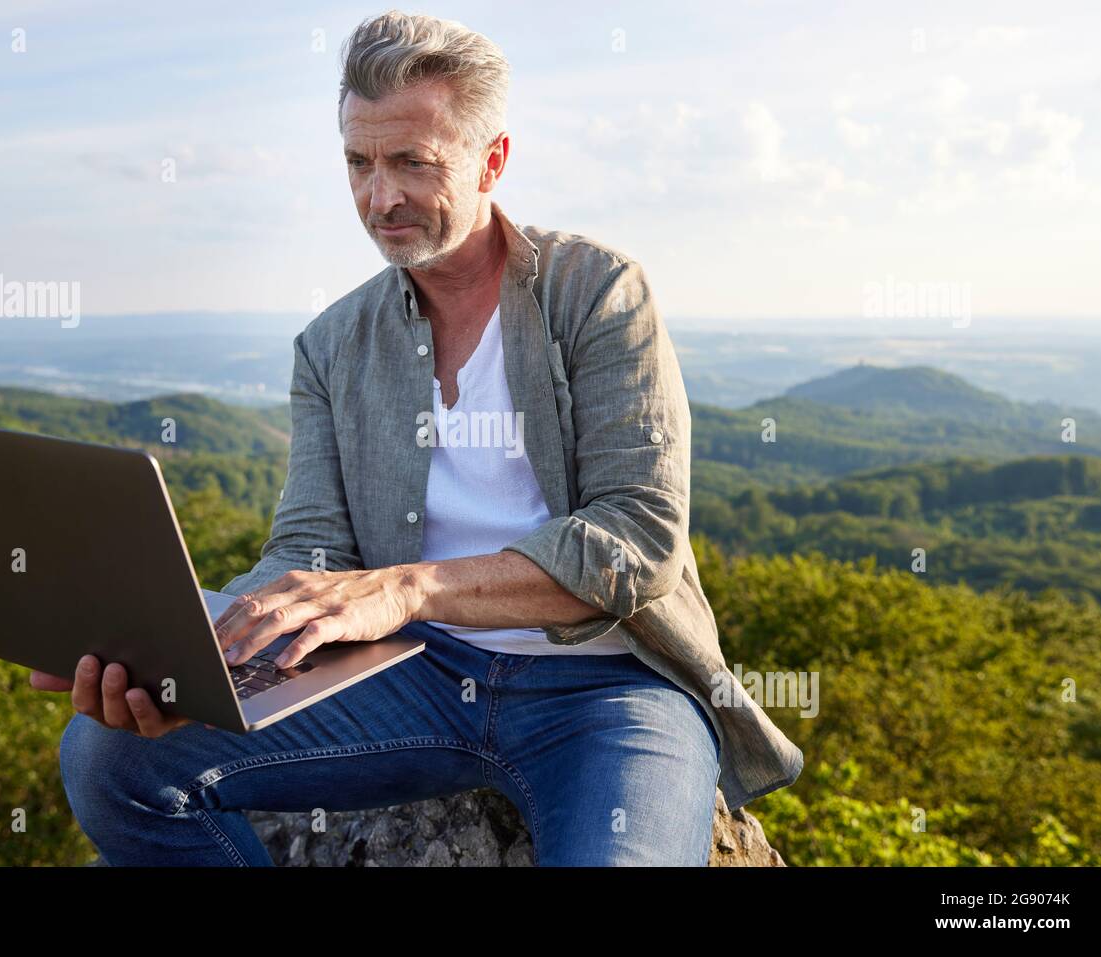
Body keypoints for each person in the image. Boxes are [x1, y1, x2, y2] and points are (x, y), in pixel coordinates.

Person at [42, 9, 802, 867]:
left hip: (609, 686)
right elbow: (309, 549)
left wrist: (407, 589)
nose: (379, 197)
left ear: (493, 160)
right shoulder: (332, 345)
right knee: (108, 758)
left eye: (413, 162)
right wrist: (198, 653)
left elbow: (635, 542)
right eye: (359, 163)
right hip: (409, 675)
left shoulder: (596, 291)